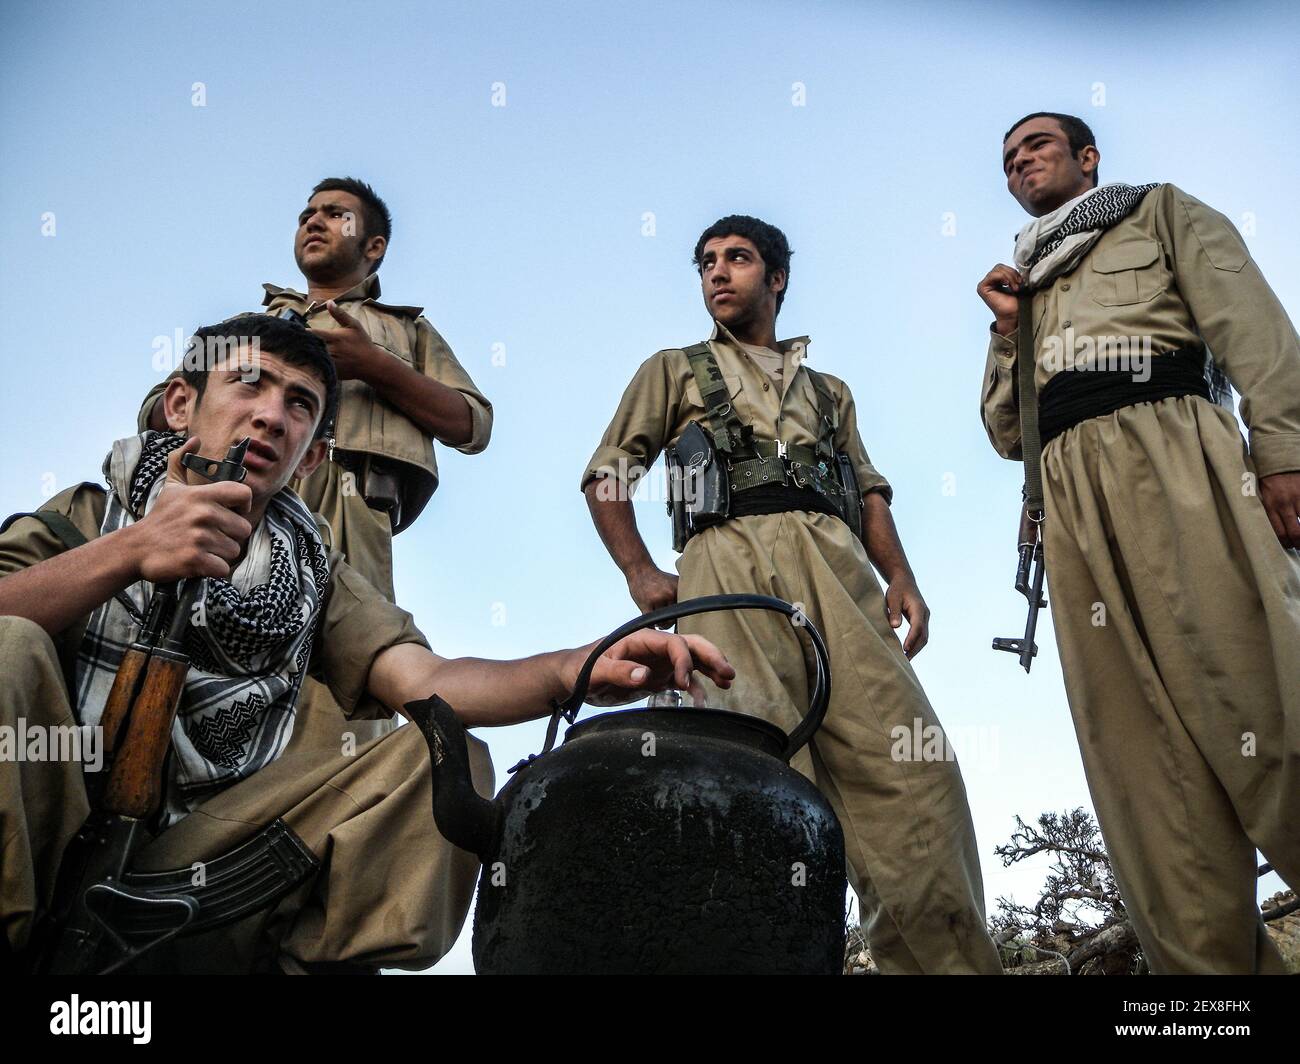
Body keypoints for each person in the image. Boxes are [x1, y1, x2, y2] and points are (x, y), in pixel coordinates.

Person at [0, 314, 732, 973]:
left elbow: (425, 676)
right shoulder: (87, 516)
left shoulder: (316, 572)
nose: (270, 417)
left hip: (203, 859)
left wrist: (576, 667)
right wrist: (132, 550)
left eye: (299, 405)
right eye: (248, 384)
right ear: (180, 403)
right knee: (11, 648)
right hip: (45, 830)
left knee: (442, 752)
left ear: (312, 460)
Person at [582, 215, 1002, 974]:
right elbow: (607, 473)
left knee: (913, 775)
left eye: (737, 259)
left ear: (776, 278)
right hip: (723, 570)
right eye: (706, 262)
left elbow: (868, 491)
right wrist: (641, 572)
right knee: (746, 781)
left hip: (837, 575)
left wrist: (901, 576)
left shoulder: (830, 391)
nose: (718, 273)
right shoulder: (671, 369)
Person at [978, 111, 1300, 973]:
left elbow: (1253, 329)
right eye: (1008, 159)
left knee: (1261, 697)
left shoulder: (1157, 211)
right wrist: (1009, 327)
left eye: (1036, 146)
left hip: (1177, 456)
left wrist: (1283, 452)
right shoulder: (1024, 282)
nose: (1020, 163)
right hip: (1069, 508)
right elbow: (1006, 431)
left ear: (1087, 157)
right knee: (1142, 770)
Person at [140, 177, 493, 747]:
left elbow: (472, 425)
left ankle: (324, 810)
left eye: (335, 214)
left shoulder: (407, 330)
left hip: (353, 506)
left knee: (351, 670)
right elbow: (157, 411)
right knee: (196, 637)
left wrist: (376, 365)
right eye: (307, 214)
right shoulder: (251, 328)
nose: (313, 222)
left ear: (373, 246)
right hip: (234, 496)